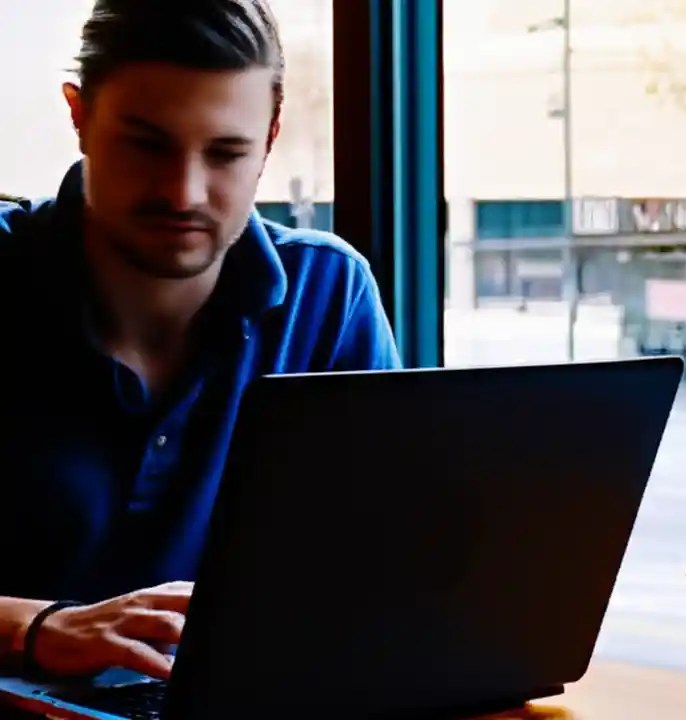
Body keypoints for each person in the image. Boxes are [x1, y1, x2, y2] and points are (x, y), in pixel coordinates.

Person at [0, 0, 400, 684]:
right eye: (147, 145)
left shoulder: (328, 295)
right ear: (79, 116)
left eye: (225, 153)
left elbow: (389, 565)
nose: (184, 192)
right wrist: (31, 628)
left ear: (270, 136)